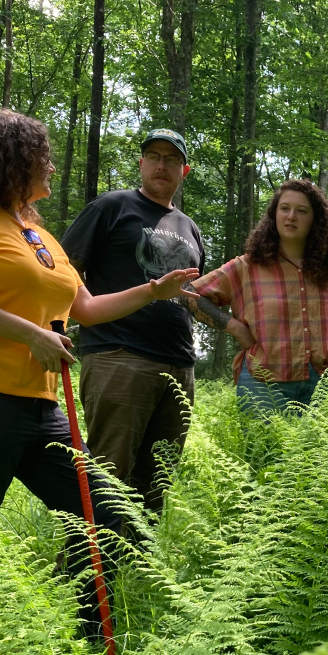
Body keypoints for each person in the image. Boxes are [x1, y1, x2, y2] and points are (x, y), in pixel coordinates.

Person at [0, 110, 199, 655]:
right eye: (41, 156)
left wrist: (152, 290)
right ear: (12, 161)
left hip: (40, 407)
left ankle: (89, 640)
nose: (49, 164)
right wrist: (29, 333)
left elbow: (85, 309)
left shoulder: (39, 235)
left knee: (106, 512)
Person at [60, 128, 204, 513]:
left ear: (183, 171)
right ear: (141, 164)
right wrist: (53, 324)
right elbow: (62, 268)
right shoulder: (112, 206)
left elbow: (191, 297)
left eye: (171, 159)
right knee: (109, 472)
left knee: (156, 479)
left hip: (179, 364)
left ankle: (135, 571)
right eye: (154, 157)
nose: (162, 165)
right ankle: (82, 569)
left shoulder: (190, 228)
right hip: (119, 354)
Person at [175, 179, 328, 415]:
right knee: (263, 453)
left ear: (315, 220)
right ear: (274, 214)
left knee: (322, 452)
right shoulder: (247, 267)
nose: (291, 216)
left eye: (302, 211)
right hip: (263, 384)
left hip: (323, 385)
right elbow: (190, 295)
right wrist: (236, 328)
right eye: (285, 208)